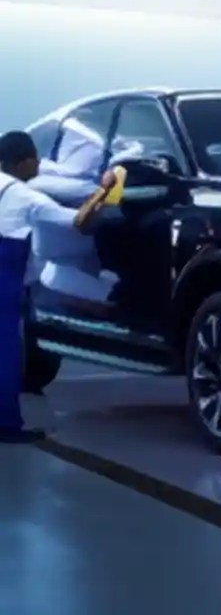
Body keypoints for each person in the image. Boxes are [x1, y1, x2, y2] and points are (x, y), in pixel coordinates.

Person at [0, 130, 112, 443]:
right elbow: (78, 221)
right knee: (6, 351)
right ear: (23, 163)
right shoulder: (26, 196)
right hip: (4, 276)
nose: (40, 166)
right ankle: (6, 425)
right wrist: (104, 191)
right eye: (35, 160)